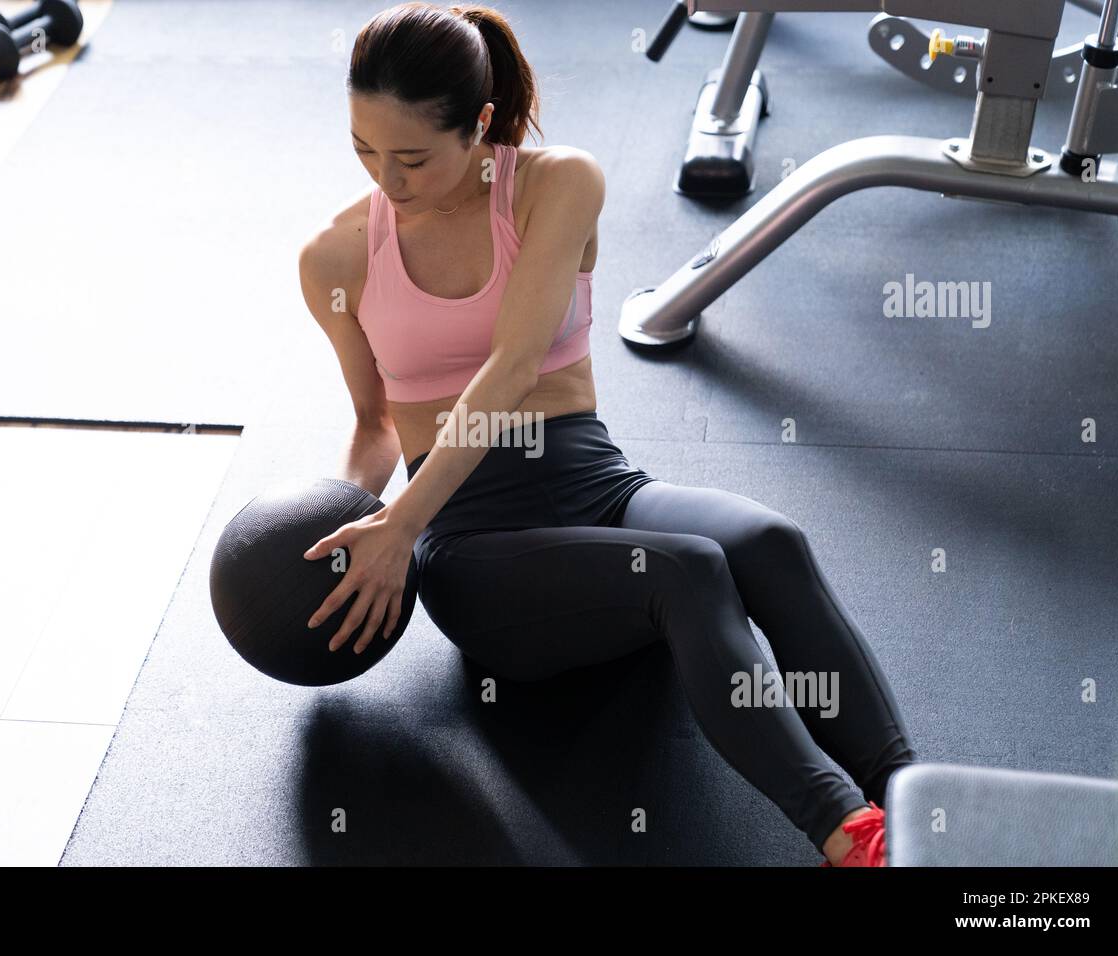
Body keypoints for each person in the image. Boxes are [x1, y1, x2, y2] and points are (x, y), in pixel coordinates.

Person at [297, 1, 918, 867]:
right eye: (364, 149)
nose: (387, 180)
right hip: (475, 543)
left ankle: (910, 793)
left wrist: (394, 521)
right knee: (688, 568)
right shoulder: (336, 255)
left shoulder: (557, 183)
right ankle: (847, 831)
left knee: (771, 541)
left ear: (479, 126)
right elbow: (372, 425)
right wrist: (348, 528)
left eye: (412, 157)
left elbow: (515, 368)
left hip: (600, 488)